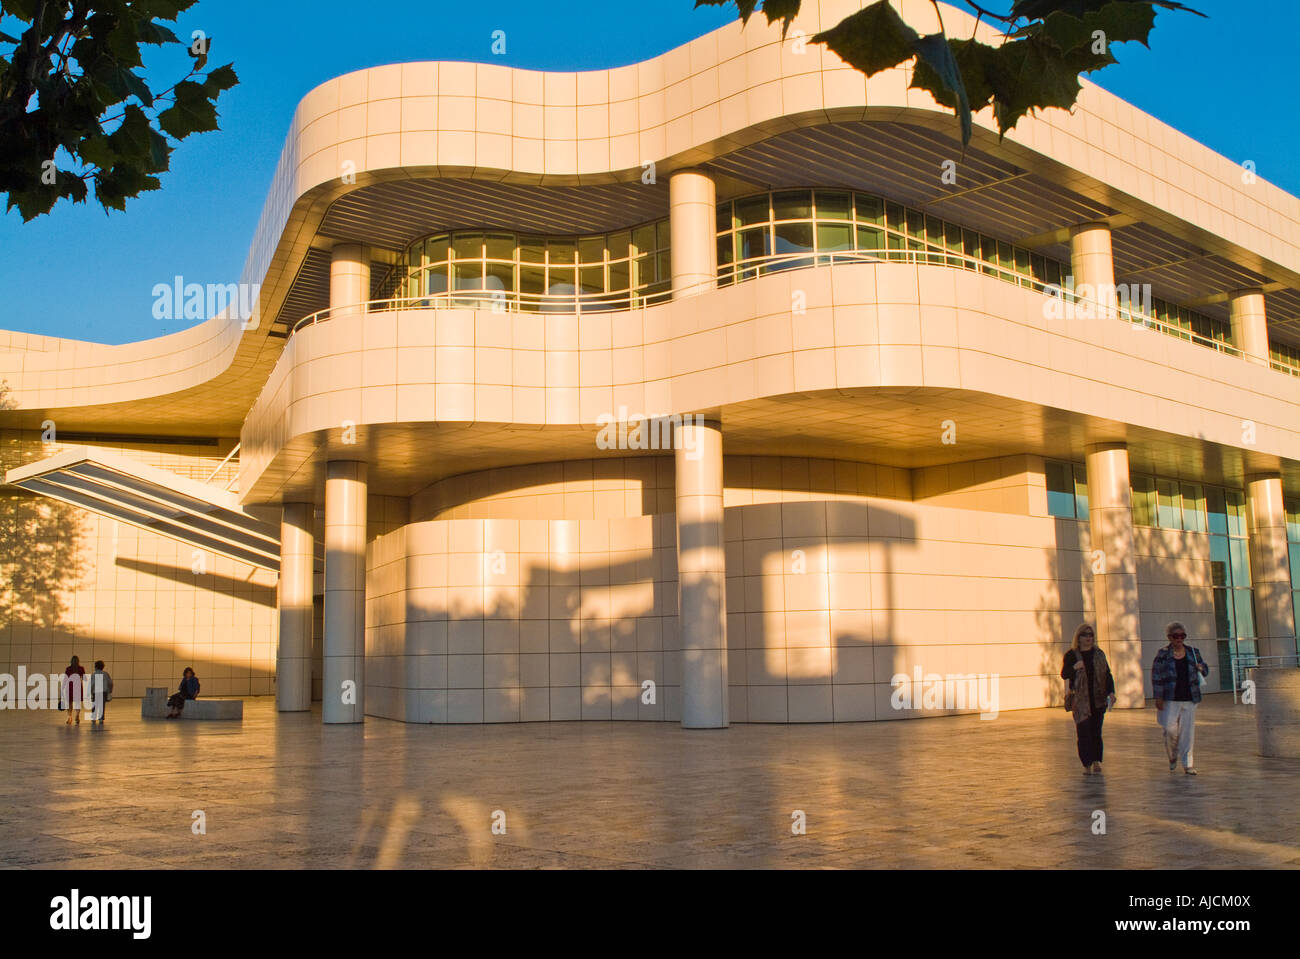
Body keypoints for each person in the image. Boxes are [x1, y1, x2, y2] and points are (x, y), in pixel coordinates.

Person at [1152, 621, 1208, 775]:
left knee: (1188, 733)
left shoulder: (1193, 652)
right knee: (1170, 730)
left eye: (1182, 636)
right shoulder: (1163, 654)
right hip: (1170, 698)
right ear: (1169, 637)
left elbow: (1205, 669)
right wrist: (1158, 696)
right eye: (1176, 636)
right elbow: (1156, 675)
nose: (1179, 639)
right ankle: (1172, 756)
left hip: (1190, 697)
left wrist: (1202, 668)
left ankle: (1188, 764)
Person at [1061, 623, 1115, 774]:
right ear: (1078, 637)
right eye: (1085, 635)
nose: (1089, 638)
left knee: (1096, 731)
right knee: (1083, 732)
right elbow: (1064, 674)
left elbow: (1107, 674)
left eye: (1091, 635)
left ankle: (1096, 760)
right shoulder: (1072, 655)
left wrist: (1111, 692)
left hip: (1098, 698)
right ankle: (1087, 764)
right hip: (1081, 700)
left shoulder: (1098, 654)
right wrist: (1075, 668)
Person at [62, 656, 85, 726]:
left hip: (70, 687)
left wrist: (62, 688)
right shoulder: (81, 668)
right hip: (78, 687)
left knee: (69, 703)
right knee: (77, 703)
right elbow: (84, 678)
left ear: (71, 661)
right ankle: (77, 715)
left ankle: (69, 718)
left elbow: (65, 679)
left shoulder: (68, 669)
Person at [89, 660, 113, 726]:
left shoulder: (94, 674)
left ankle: (94, 717)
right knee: (102, 705)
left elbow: (92, 684)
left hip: (96, 692)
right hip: (103, 692)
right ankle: (101, 718)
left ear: (96, 667)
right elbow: (110, 683)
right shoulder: (106, 674)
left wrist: (90, 692)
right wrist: (110, 690)